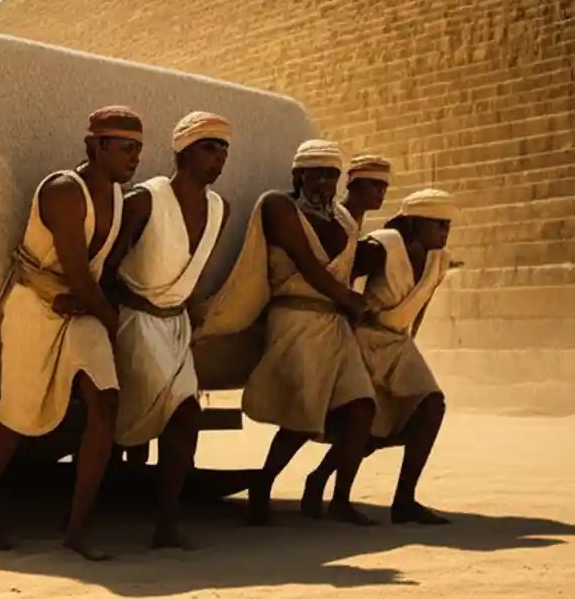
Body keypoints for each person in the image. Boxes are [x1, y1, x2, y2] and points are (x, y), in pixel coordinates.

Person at [0, 105, 142, 561]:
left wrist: (95, 307)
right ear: (96, 146)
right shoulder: (64, 190)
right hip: (37, 307)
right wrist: (112, 320)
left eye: (139, 148)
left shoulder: (120, 198)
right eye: (125, 146)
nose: (135, 157)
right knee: (17, 414)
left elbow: (98, 273)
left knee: (105, 401)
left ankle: (77, 528)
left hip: (81, 310)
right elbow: (76, 274)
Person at [195, 139, 377, 526]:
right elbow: (307, 264)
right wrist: (349, 298)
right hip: (296, 320)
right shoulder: (278, 206)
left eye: (332, 174)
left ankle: (335, 495)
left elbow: (347, 267)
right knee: (301, 414)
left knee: (362, 408)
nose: (325, 182)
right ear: (298, 175)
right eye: (317, 173)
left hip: (335, 324)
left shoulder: (344, 221)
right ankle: (263, 485)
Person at [106, 111, 232, 549]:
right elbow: (107, 265)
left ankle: (166, 522)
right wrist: (112, 315)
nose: (219, 158)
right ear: (182, 151)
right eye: (209, 147)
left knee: (184, 416)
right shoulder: (145, 200)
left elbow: (192, 272)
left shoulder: (219, 209)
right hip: (135, 323)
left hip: (175, 326)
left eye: (224, 150)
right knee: (137, 420)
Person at [301, 188, 457, 525]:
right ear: (415, 224)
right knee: (362, 422)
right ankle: (332, 492)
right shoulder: (381, 247)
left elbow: (421, 302)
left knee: (431, 405)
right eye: (436, 224)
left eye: (447, 225)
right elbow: (341, 276)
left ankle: (404, 501)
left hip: (398, 344)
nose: (443, 232)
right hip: (364, 339)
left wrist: (410, 339)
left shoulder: (438, 259)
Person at [343, 155, 391, 230]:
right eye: (376, 185)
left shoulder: (360, 224)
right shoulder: (335, 221)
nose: (381, 192)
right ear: (354, 186)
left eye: (384, 187)